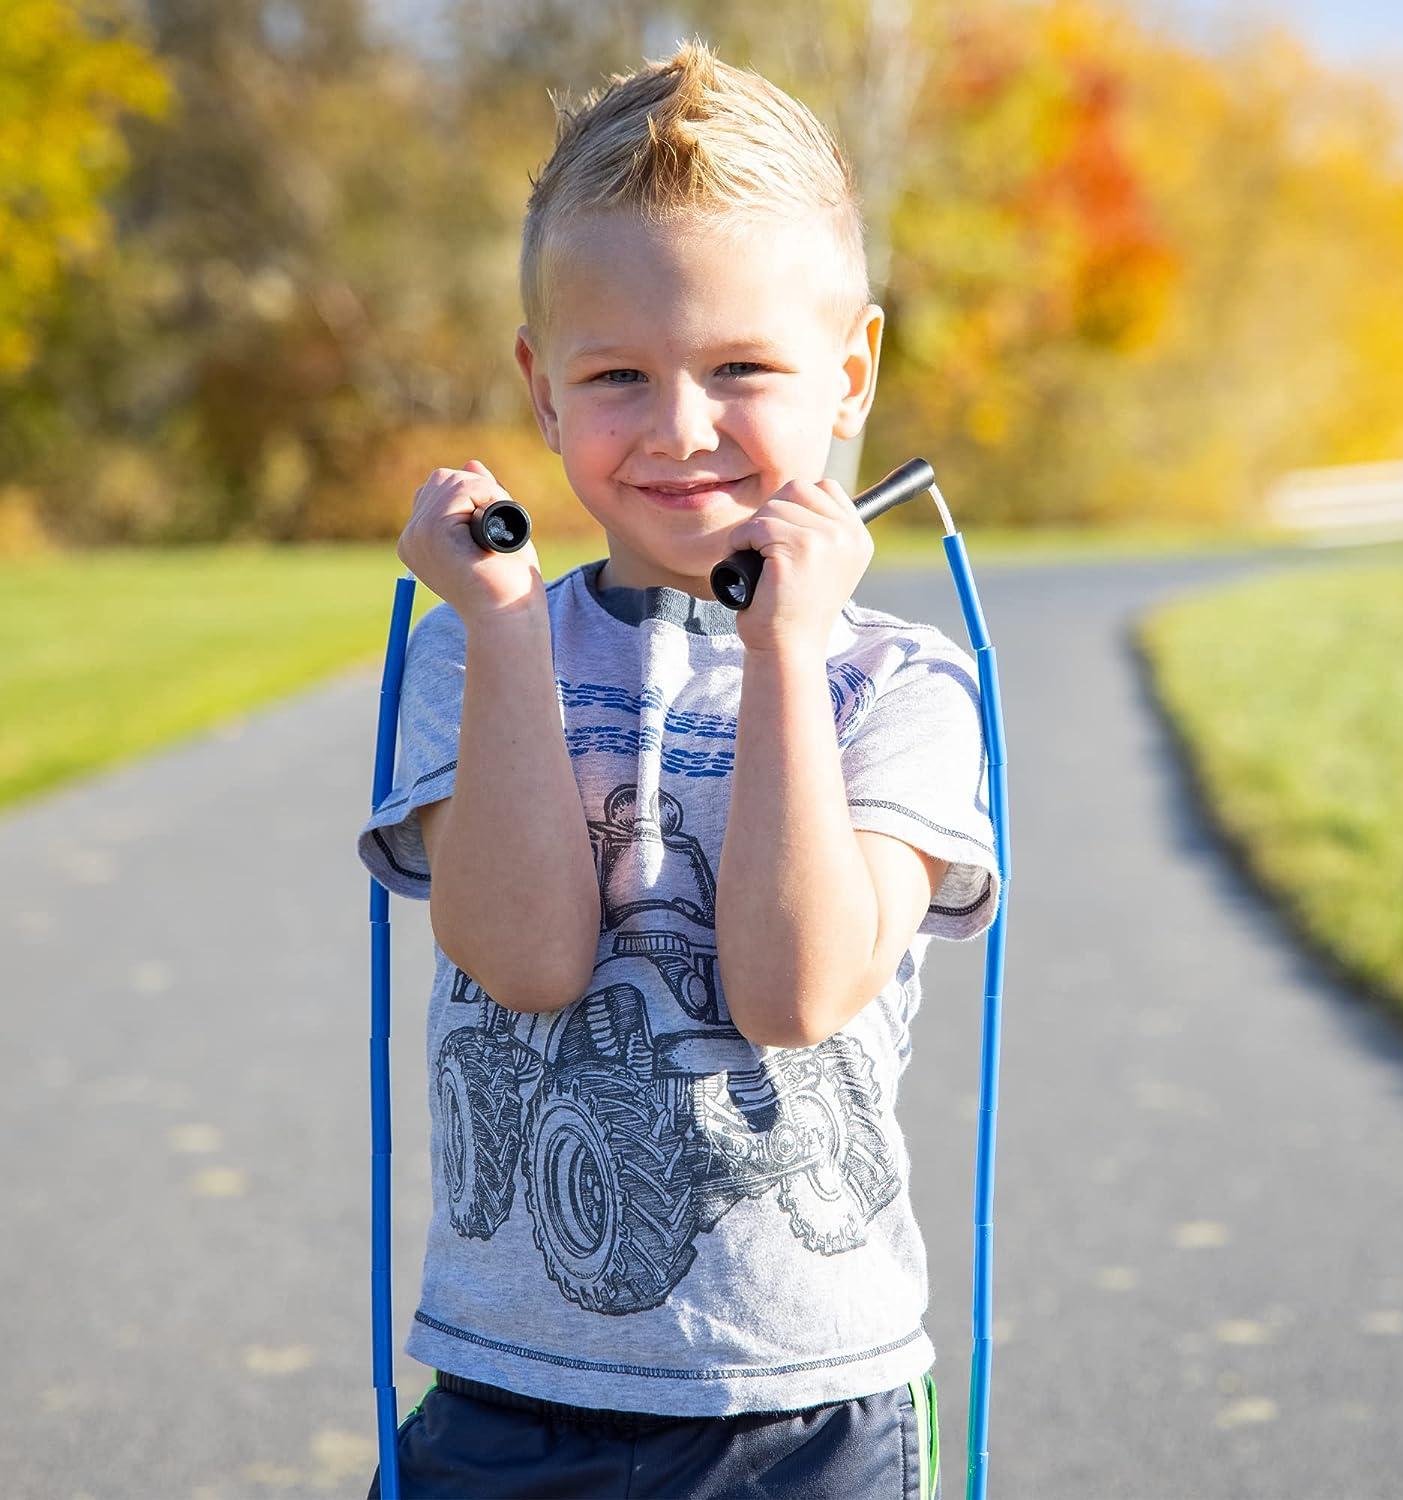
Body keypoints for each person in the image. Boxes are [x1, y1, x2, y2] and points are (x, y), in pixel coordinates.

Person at [358, 33, 999, 1500]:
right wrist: (506, 628)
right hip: (510, 1392)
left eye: (742, 368)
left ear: (852, 372)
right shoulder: (473, 651)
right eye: (619, 376)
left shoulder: (898, 686)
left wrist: (785, 651)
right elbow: (529, 961)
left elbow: (793, 994)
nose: (682, 428)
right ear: (542, 389)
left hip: (806, 1411)